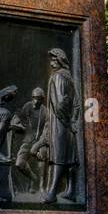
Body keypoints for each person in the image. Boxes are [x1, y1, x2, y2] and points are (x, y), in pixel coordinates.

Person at [42, 49, 81, 204]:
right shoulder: (69, 78)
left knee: (58, 156)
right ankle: (71, 190)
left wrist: (66, 122)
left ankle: (52, 192)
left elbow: (60, 103)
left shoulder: (57, 76)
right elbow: (76, 104)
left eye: (53, 60)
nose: (51, 63)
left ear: (59, 61)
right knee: (71, 157)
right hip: (69, 122)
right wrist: (73, 121)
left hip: (60, 122)